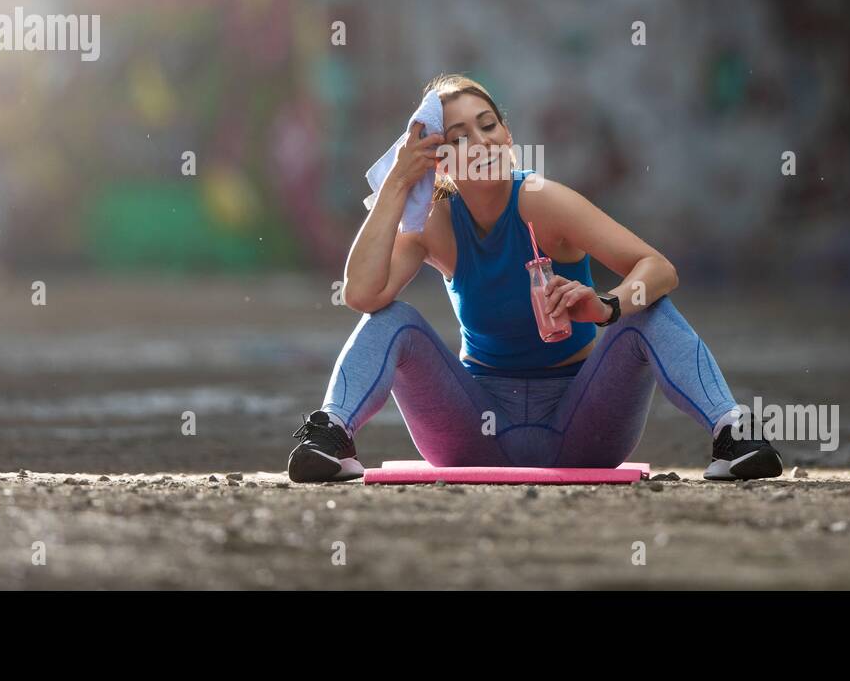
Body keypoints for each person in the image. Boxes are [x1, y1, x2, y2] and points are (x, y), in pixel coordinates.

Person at [287, 73, 783, 483]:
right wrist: (398, 181)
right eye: (459, 136)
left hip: (582, 423)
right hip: (470, 432)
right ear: (439, 158)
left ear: (508, 137)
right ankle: (331, 435)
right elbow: (362, 294)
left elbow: (658, 268)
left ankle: (733, 433)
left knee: (648, 309)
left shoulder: (542, 200)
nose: (480, 141)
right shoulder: (434, 221)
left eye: (488, 126)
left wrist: (606, 304)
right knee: (391, 316)